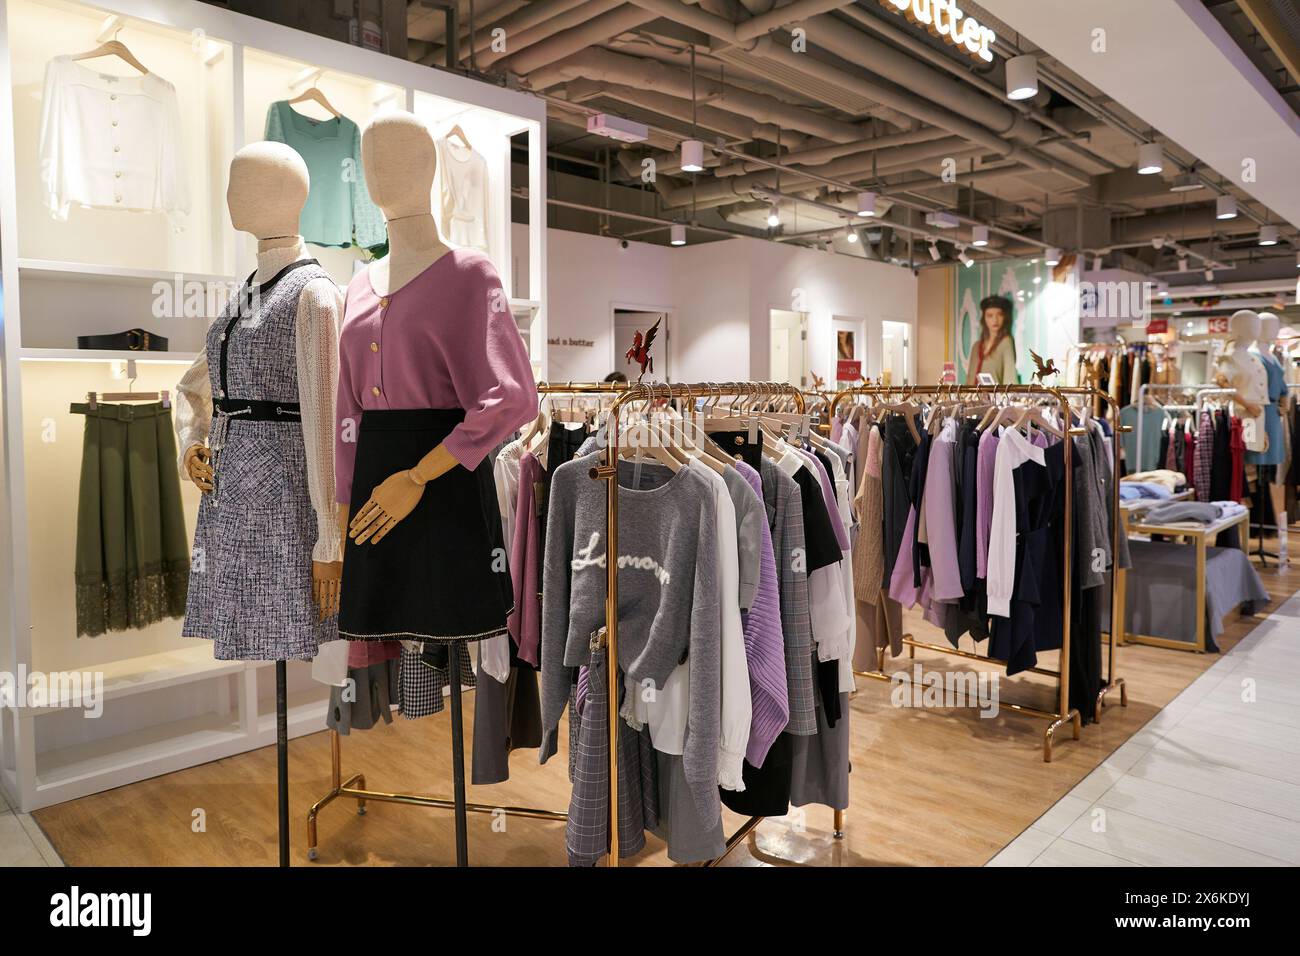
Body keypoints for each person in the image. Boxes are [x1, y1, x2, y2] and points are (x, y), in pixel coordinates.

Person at [965, 294, 1018, 384]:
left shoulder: (1006, 342)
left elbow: (1010, 379)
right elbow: (969, 379)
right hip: (973, 397)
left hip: (995, 397)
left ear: (1004, 317)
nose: (995, 320)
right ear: (984, 318)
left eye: (999, 315)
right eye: (990, 315)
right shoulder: (977, 347)